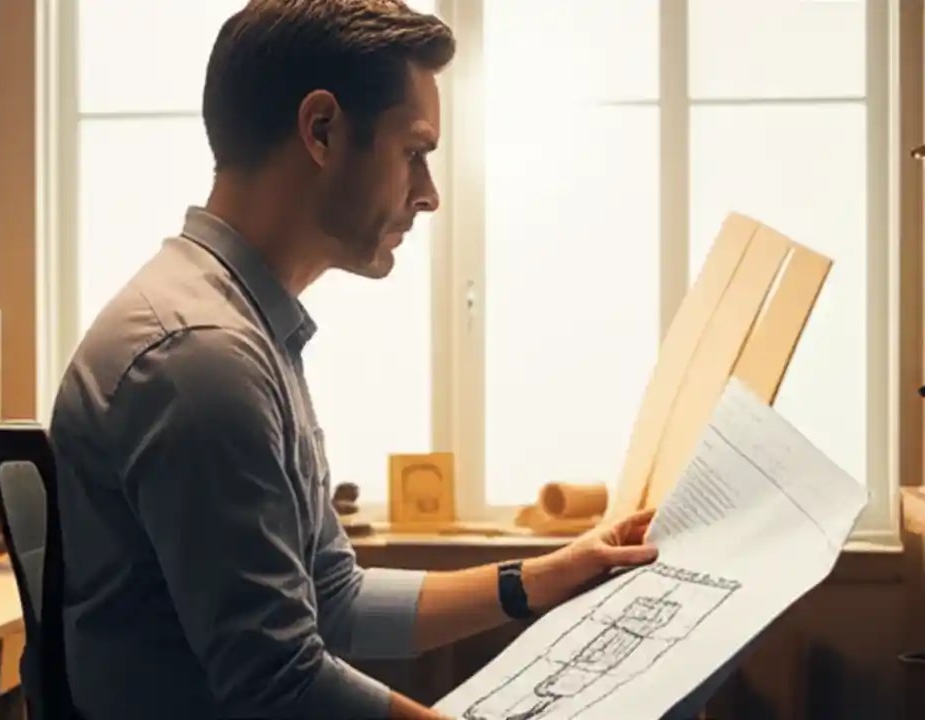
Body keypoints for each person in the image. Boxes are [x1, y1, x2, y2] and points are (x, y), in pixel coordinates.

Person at [47, 1, 659, 718]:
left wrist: (547, 576)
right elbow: (279, 685)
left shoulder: (239, 329)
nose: (427, 195)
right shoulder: (200, 358)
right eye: (413, 153)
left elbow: (334, 597)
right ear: (322, 130)